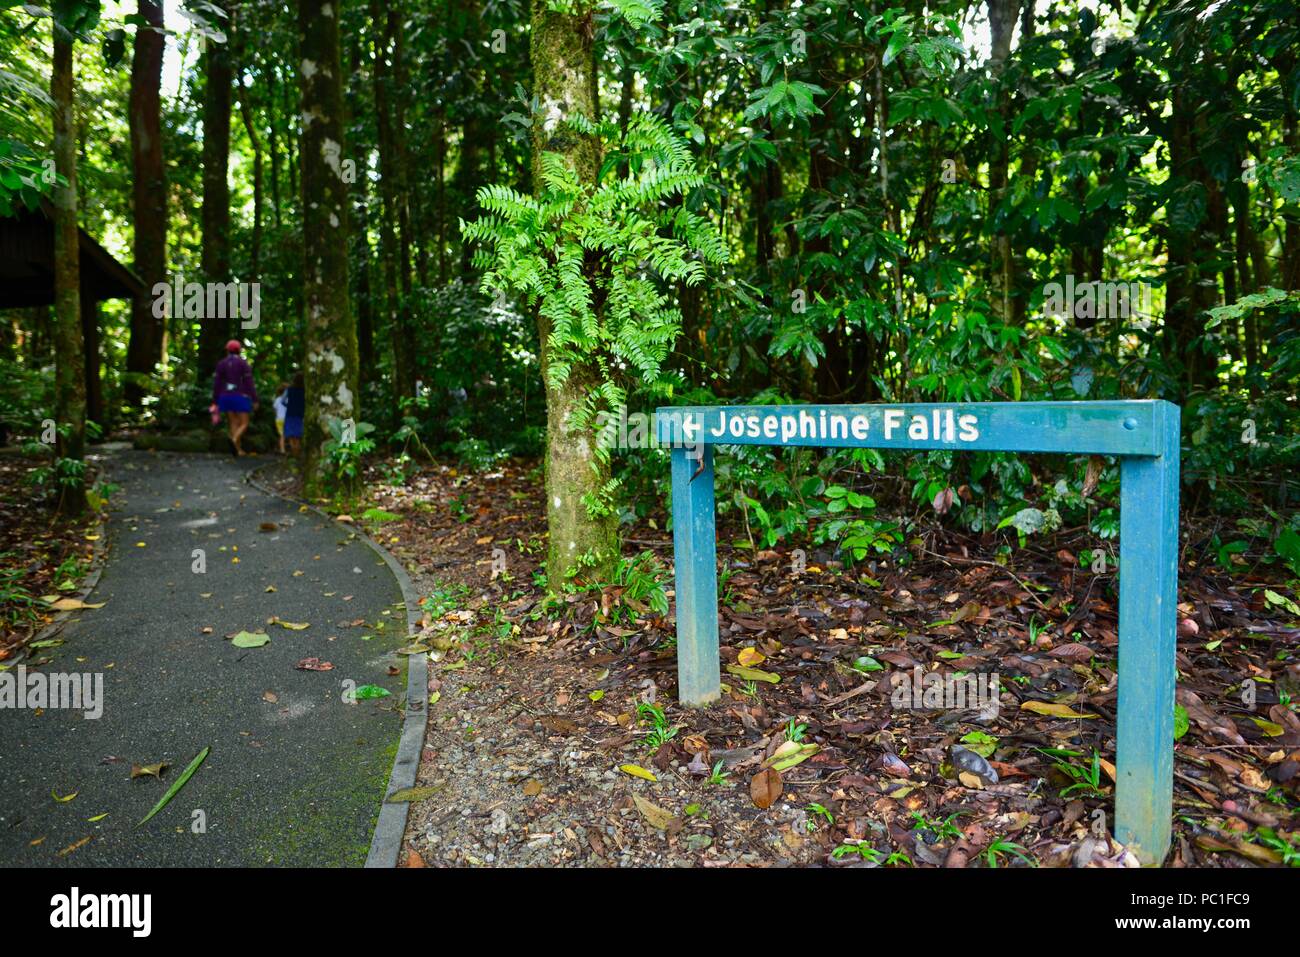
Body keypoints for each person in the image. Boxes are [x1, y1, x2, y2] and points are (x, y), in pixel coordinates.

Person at [212, 340, 259, 456]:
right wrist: (254, 399)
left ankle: (238, 450)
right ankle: (234, 439)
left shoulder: (221, 364)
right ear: (239, 350)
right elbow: (249, 382)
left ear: (227, 350)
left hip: (225, 396)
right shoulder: (243, 364)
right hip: (240, 396)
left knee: (233, 422)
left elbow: (217, 383)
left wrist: (215, 399)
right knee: (244, 422)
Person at [283, 372, 305, 457]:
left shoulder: (289, 389)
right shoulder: (304, 390)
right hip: (300, 415)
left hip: (290, 414)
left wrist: (288, 405)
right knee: (298, 437)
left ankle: (294, 455)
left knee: (291, 436)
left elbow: (282, 400)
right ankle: (297, 455)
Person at [272, 383, 289, 454]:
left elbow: (275, 410)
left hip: (279, 419)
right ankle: (283, 450)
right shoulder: (288, 399)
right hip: (287, 419)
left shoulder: (277, 400)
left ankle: (282, 449)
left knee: (282, 435)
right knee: (286, 435)